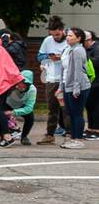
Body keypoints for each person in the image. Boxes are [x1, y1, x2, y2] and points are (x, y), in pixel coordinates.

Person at [58, 26, 91, 150]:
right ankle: (73, 138)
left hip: (79, 86)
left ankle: (78, 139)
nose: (67, 37)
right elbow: (64, 69)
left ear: (79, 38)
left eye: (71, 35)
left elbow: (78, 71)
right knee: (70, 113)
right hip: (67, 85)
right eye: (67, 35)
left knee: (77, 113)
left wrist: (76, 88)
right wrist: (61, 86)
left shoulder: (78, 50)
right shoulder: (67, 50)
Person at [36, 16, 67, 144]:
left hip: (66, 78)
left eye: (58, 34)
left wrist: (62, 57)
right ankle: (50, 134)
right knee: (52, 108)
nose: (56, 37)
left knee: (66, 108)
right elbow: (40, 56)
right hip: (51, 78)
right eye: (53, 35)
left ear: (63, 30)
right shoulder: (48, 41)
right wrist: (49, 57)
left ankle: (70, 133)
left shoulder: (70, 39)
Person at [6, 69, 37, 145]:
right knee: (2, 116)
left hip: (21, 105)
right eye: (21, 81)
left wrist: (14, 112)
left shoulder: (32, 90)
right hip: (7, 104)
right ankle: (4, 134)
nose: (22, 84)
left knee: (30, 118)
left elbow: (29, 108)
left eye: (26, 83)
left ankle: (24, 136)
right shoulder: (10, 85)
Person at [84, 31, 99, 138]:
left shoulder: (97, 48)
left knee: (95, 106)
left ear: (89, 40)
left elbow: (96, 62)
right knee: (89, 105)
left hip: (96, 82)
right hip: (90, 82)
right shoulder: (87, 49)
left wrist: (84, 60)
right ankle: (90, 127)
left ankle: (96, 129)